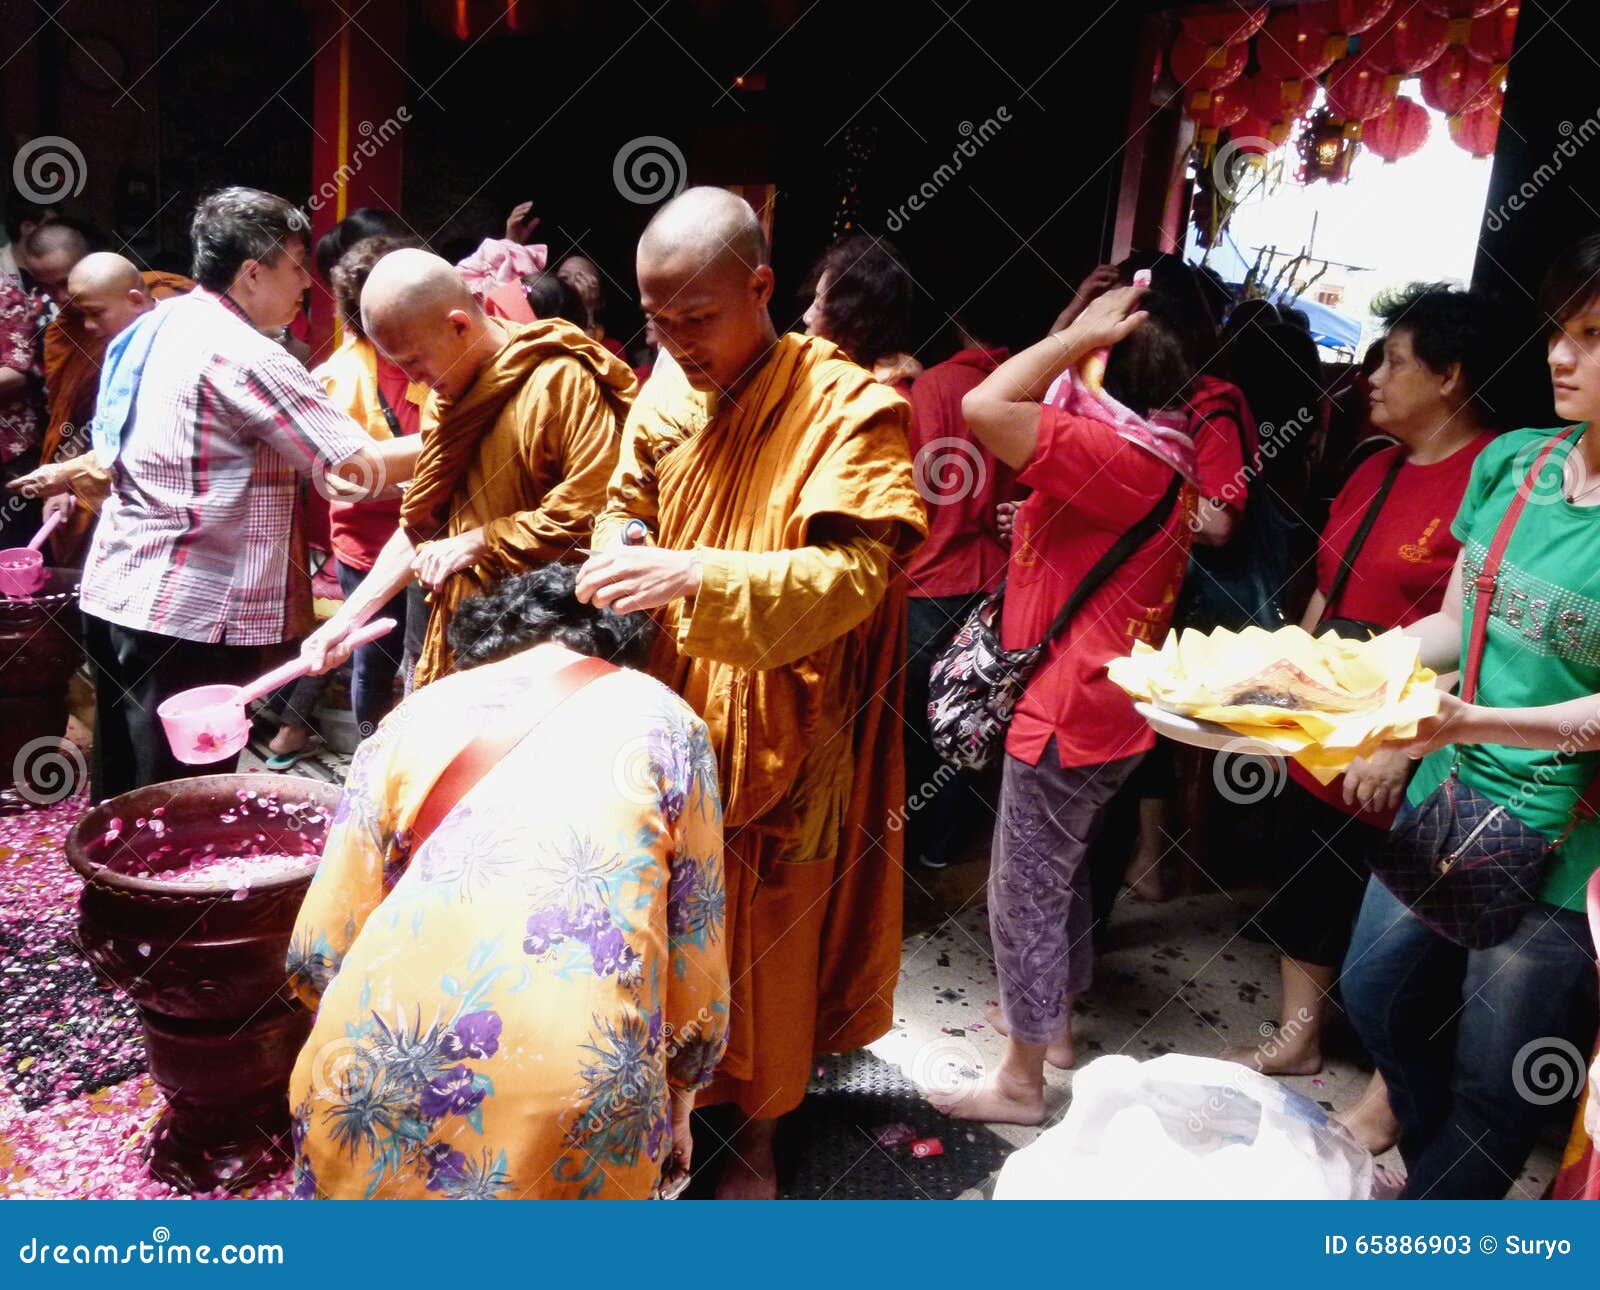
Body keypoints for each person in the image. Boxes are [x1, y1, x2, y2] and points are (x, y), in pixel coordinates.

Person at [576, 186, 926, 1197]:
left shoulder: (845, 406)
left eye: (698, 317)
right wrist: (627, 547)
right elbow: (620, 505)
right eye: (658, 321)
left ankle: (763, 1133)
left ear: (762, 288)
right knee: (664, 908)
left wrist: (698, 575)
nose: (677, 341)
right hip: (670, 698)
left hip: (793, 712)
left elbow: (855, 582)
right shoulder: (664, 392)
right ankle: (665, 1101)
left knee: (769, 931)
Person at [287, 565, 728, 1199]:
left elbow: (317, 955)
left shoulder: (415, 714)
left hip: (367, 1073)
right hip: (582, 1087)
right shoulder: (667, 720)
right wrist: (681, 1094)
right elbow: (697, 929)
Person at [1223, 285, 1505, 1167]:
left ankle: (1388, 1093)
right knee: (1304, 875)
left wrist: (1398, 735)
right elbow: (1327, 590)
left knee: (1408, 930)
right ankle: (1301, 1035)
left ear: (1451, 377)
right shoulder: (1371, 464)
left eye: (1393, 361)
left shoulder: (1495, 477)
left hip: (1409, 739)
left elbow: (1476, 638)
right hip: (1326, 721)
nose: (1372, 378)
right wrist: (1281, 683)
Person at [1344, 235, 1600, 1199]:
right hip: (1458, 800)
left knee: (1499, 1085)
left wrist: (1464, 725)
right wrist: (1328, 668)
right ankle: (1443, 1167)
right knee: (1374, 996)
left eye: (1594, 336)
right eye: (1560, 331)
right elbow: (1457, 623)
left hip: (1571, 841)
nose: (1560, 358)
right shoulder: (1519, 465)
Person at [13, 187, 403, 800]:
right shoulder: (248, 354)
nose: (307, 284)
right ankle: (157, 894)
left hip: (120, 586)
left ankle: (111, 890)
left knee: (123, 780)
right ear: (253, 272)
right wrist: (462, 438)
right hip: (185, 614)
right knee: (176, 798)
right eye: (298, 265)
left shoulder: (157, 323)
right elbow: (355, 466)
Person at [930, 283, 1196, 1126]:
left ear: (1094, 368)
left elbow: (984, 401)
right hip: (1108, 709)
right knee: (1062, 878)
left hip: (1065, 713)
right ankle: (1052, 1032)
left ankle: (1019, 1080)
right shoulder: (1154, 446)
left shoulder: (1109, 450)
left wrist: (1075, 332)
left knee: (1024, 896)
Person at [302, 248, 636, 687]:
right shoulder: (447, 398)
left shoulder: (559, 380)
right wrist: (346, 619)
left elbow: (595, 515)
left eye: (415, 362)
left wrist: (483, 540)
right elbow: (426, 527)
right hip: (465, 635)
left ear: (458, 324)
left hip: (547, 650)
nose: (415, 380)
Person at [266, 234, 430, 767]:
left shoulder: (438, 358)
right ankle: (369, 759)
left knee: (426, 656)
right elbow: (332, 478)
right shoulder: (336, 377)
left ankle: (411, 762)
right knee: (372, 659)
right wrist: (406, 481)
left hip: (433, 541)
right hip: (367, 542)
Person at [899, 308, 1017, 869]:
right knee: (968, 719)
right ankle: (946, 844)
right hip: (996, 582)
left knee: (910, 722)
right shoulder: (1027, 390)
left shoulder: (931, 386)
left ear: (957, 322)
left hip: (926, 580)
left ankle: (902, 843)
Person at [32, 252, 193, 564]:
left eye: (65, 282)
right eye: (49, 287)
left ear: (133, 299)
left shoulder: (183, 323)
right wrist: (60, 484)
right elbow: (68, 420)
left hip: (168, 499)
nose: (63, 296)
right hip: (97, 483)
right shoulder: (68, 330)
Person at [802, 234, 921, 389]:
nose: (807, 317)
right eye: (815, 299)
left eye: (819, 307)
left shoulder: (884, 401)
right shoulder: (804, 363)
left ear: (859, 326)